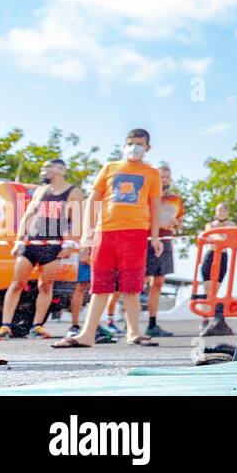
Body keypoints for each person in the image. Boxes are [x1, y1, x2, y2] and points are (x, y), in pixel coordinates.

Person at [53, 129, 163, 349]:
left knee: (132, 286)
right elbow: (92, 201)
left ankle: (133, 333)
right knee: (100, 286)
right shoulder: (110, 168)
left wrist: (155, 237)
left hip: (136, 233)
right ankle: (86, 334)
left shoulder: (152, 173)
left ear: (147, 147)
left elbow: (155, 206)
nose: (134, 147)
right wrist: (87, 234)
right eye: (130, 143)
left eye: (139, 144)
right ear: (124, 144)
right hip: (106, 233)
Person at [0, 159, 83, 340]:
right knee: (17, 283)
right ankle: (5, 325)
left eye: (46, 168)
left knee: (45, 286)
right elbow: (28, 215)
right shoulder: (40, 191)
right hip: (31, 243)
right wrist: (19, 241)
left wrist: (72, 244)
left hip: (53, 244)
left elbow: (77, 220)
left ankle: (37, 326)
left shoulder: (73, 191)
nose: (43, 172)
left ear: (59, 170)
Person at [144, 165, 184, 339]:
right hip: (146, 242)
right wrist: (157, 225)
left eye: (167, 177)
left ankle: (152, 324)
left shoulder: (175, 199)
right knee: (137, 283)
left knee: (158, 283)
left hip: (166, 243)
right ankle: (119, 321)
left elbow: (180, 223)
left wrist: (175, 223)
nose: (164, 179)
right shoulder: (147, 197)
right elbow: (142, 219)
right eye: (162, 176)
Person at [197, 203, 235, 336]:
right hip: (211, 255)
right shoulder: (210, 225)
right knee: (207, 288)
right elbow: (212, 236)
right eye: (219, 210)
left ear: (228, 212)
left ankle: (213, 317)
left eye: (224, 210)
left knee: (215, 289)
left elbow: (229, 238)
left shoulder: (231, 225)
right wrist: (220, 237)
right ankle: (205, 318)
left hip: (223, 256)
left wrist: (220, 237)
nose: (221, 213)